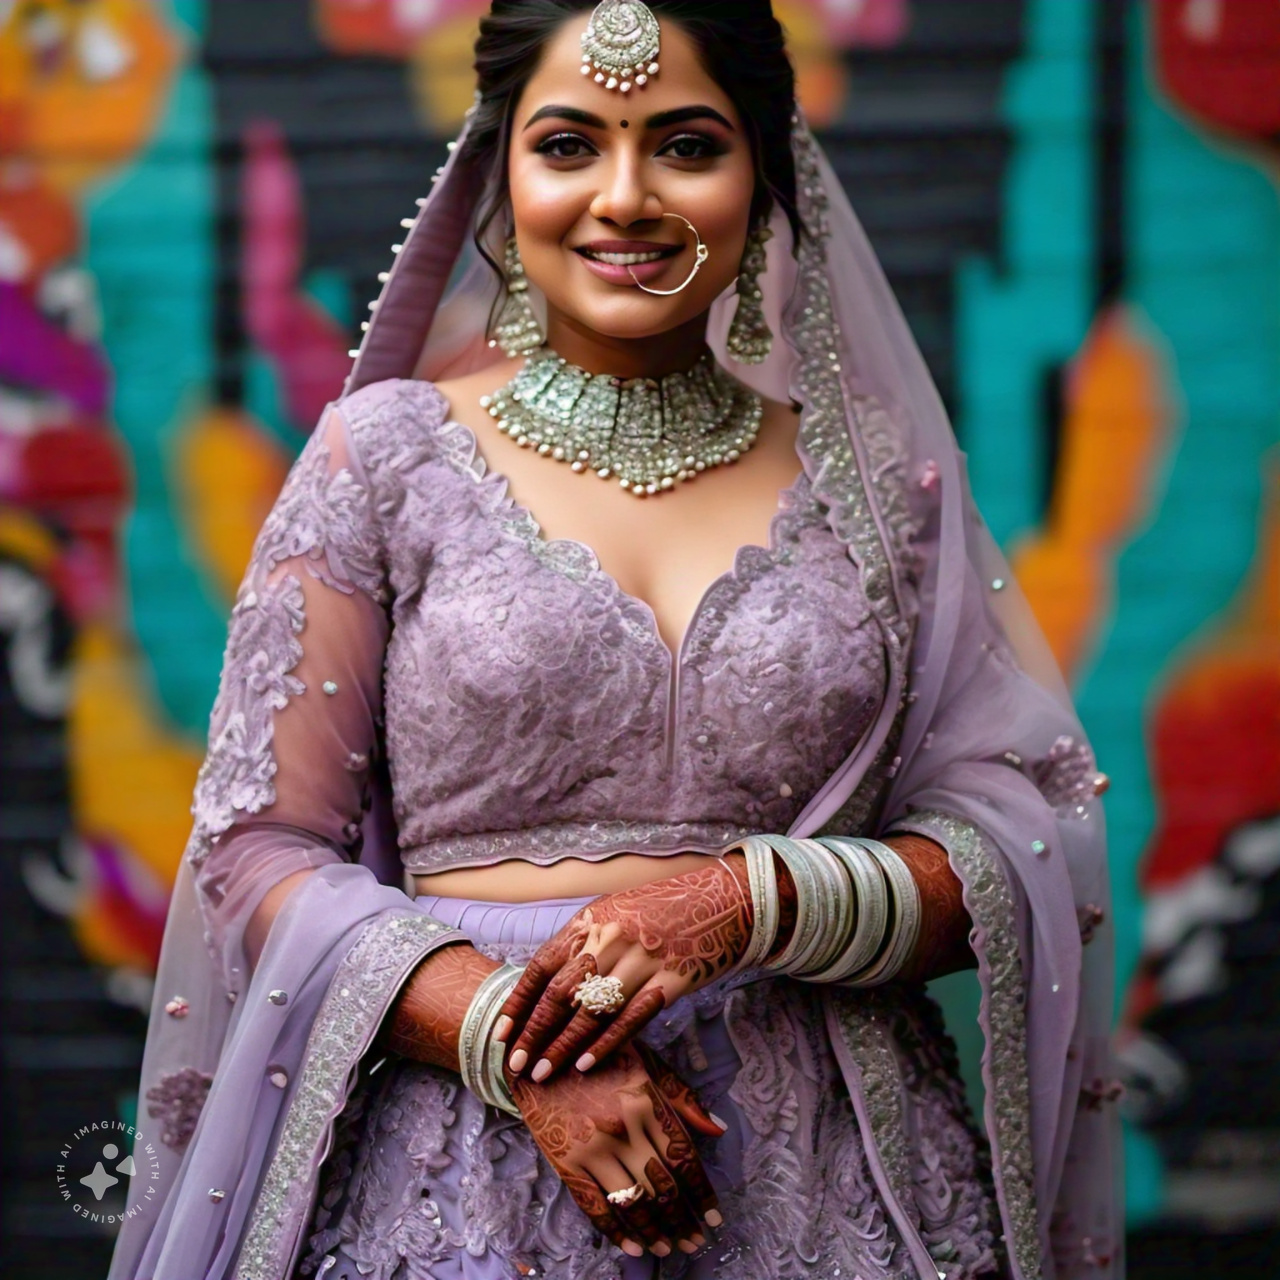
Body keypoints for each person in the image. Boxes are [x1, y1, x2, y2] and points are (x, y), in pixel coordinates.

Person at [107, 3, 1121, 1277]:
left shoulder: (874, 478)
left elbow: (1021, 835)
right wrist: (514, 1044)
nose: (625, 197)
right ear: (500, 172)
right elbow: (257, 852)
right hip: (470, 1167)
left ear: (768, 175)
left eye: (686, 145)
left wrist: (749, 899)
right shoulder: (386, 460)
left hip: (840, 1180)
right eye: (570, 144)